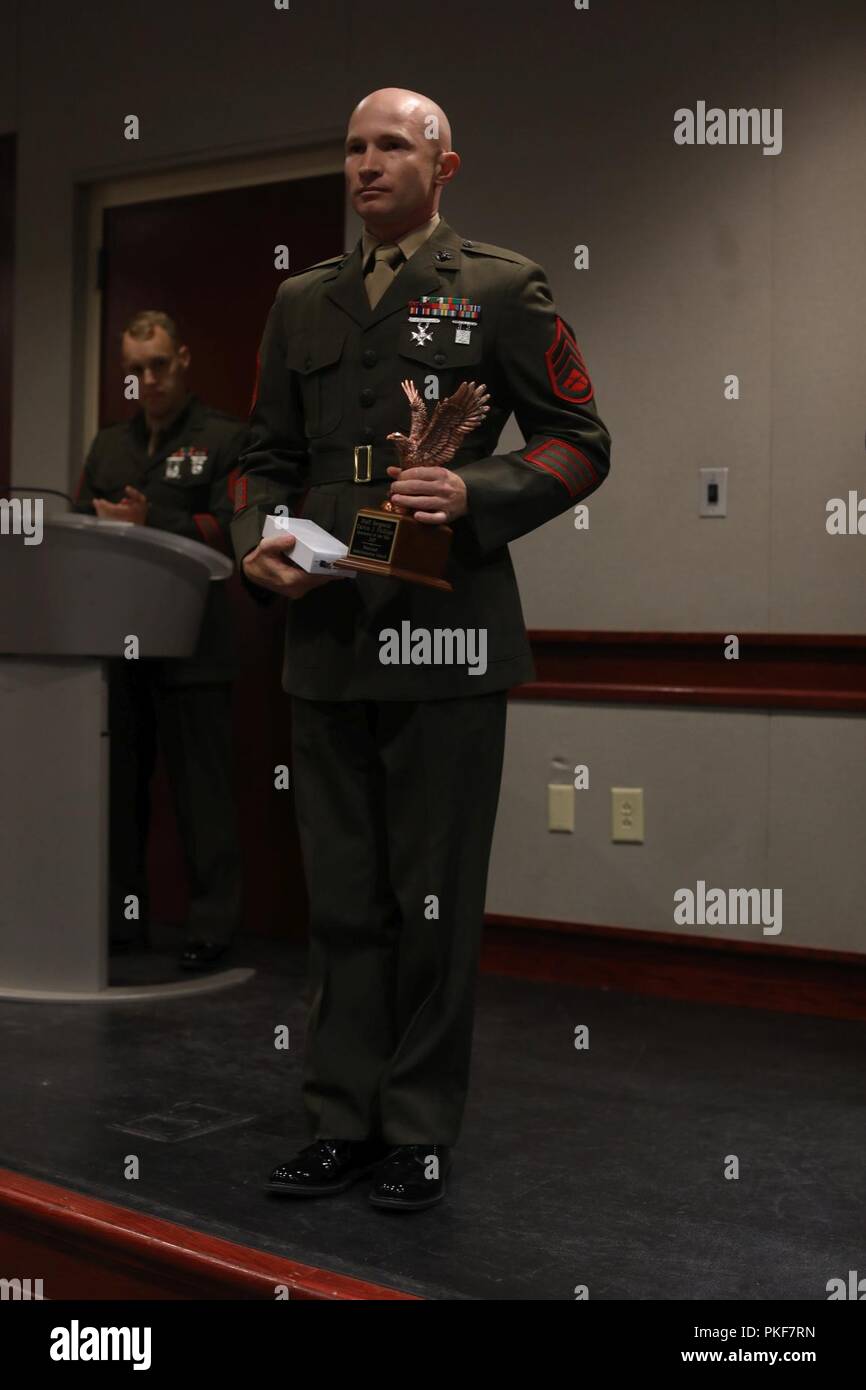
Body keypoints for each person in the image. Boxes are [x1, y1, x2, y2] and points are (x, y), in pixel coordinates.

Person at [231, 88, 612, 1208]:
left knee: (431, 898)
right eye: (351, 147)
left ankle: (417, 1129)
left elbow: (579, 444)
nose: (364, 165)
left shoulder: (498, 283)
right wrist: (259, 532)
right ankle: (339, 1116)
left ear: (444, 165)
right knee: (342, 898)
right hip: (330, 634)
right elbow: (262, 452)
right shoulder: (302, 300)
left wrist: (475, 485)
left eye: (390, 145)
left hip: (447, 635)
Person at [74, 310, 246, 969]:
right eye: (134, 371)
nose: (147, 380)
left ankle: (211, 929)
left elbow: (236, 528)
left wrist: (155, 520)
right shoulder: (109, 447)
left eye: (157, 365)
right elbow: (80, 527)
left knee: (203, 796)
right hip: (119, 644)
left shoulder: (225, 437)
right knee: (119, 793)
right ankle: (122, 919)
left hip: (195, 643)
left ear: (182, 360)